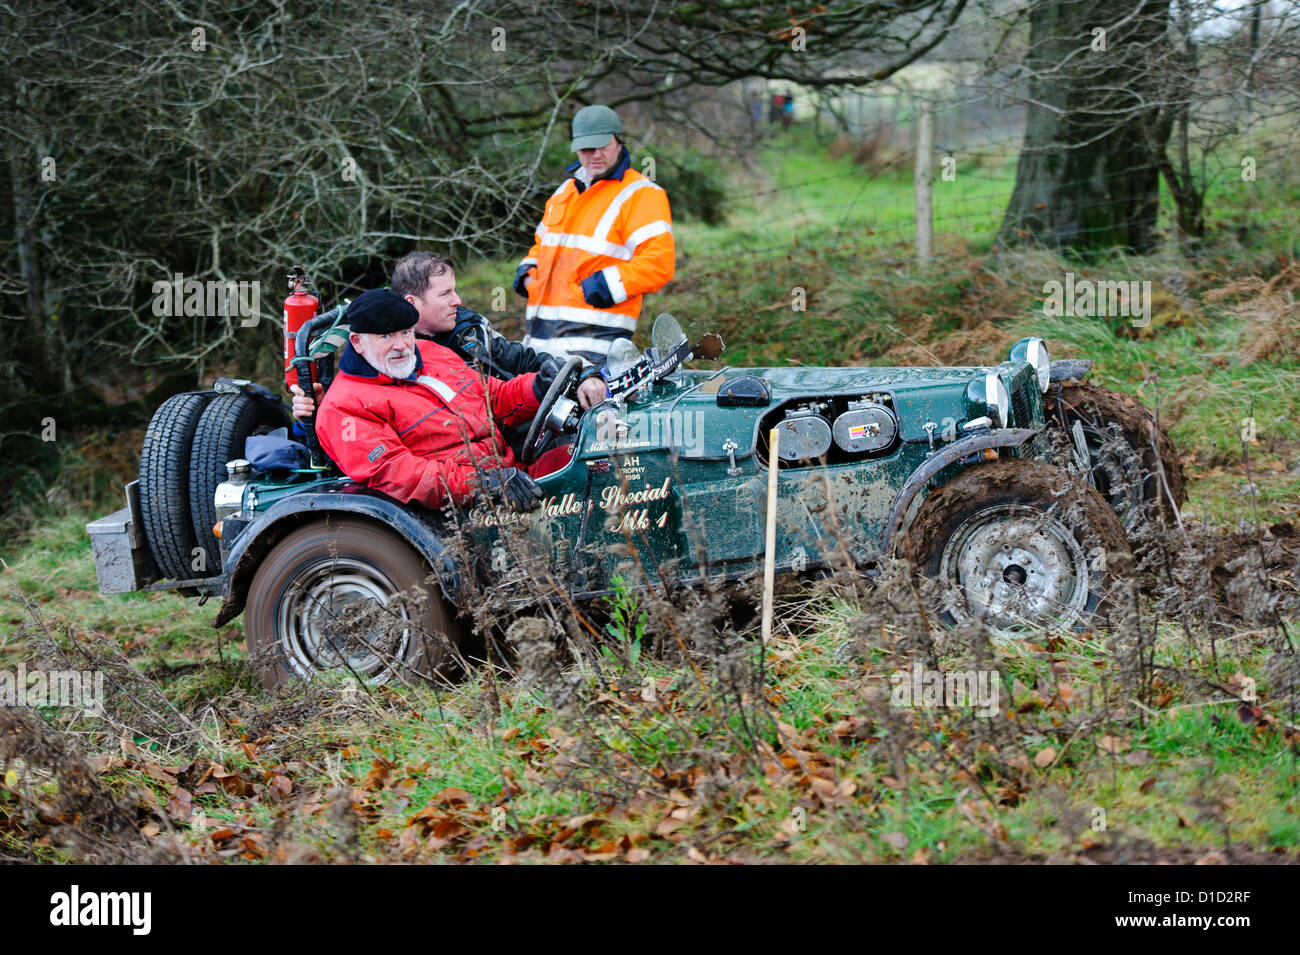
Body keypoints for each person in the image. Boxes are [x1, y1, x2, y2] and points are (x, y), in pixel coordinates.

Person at [314, 288, 565, 512]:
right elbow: (402, 475)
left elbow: (493, 398)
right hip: (462, 508)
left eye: (405, 332)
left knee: (593, 460)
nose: (401, 345)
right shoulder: (344, 407)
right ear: (357, 342)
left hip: (512, 474)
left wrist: (538, 386)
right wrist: (484, 484)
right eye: (386, 337)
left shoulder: (430, 353)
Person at [291, 252, 608, 420]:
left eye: (455, 291)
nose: (457, 300)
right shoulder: (382, 355)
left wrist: (584, 375)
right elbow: (343, 413)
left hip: (515, 423)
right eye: (445, 294)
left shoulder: (467, 328)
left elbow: (525, 359)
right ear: (412, 305)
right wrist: (311, 409)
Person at [513, 104, 675, 365]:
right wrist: (527, 276)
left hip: (597, 342)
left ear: (619, 143)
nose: (596, 155)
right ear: (577, 148)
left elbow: (658, 264)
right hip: (540, 340)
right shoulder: (564, 192)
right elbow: (541, 246)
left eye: (604, 146)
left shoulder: (642, 194)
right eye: (588, 148)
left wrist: (601, 287)